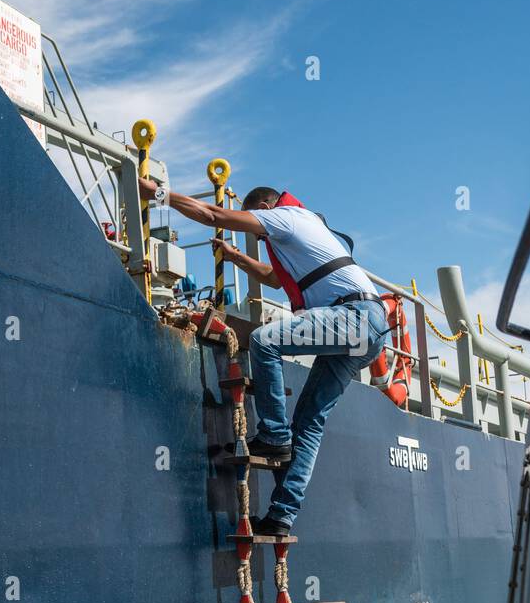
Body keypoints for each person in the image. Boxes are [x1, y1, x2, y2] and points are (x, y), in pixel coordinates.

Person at [138, 179, 390, 532]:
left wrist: (158, 195)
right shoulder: (308, 228)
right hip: (367, 329)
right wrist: (236, 257)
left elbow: (212, 214)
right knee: (310, 423)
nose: (258, 236)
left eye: (256, 226)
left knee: (265, 341)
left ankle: (273, 434)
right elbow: (274, 279)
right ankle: (281, 517)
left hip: (353, 318)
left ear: (265, 210)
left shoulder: (286, 217)